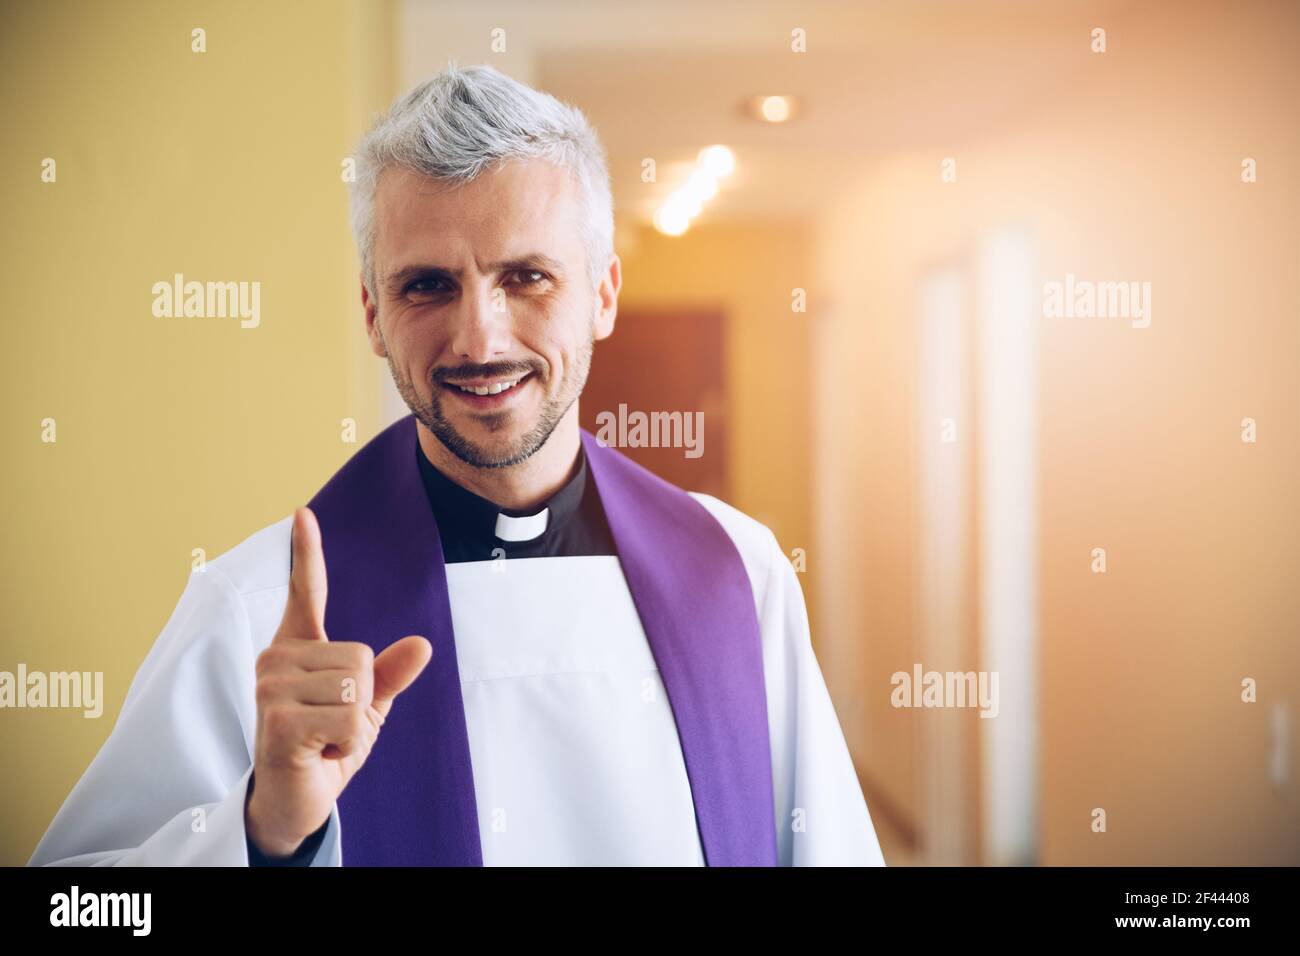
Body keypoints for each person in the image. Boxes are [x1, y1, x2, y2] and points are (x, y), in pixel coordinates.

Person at [28, 63, 886, 867]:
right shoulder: (256, 617)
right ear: (373, 315)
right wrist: (262, 833)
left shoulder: (737, 575)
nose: (479, 338)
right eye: (427, 285)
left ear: (604, 295)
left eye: (527, 276)